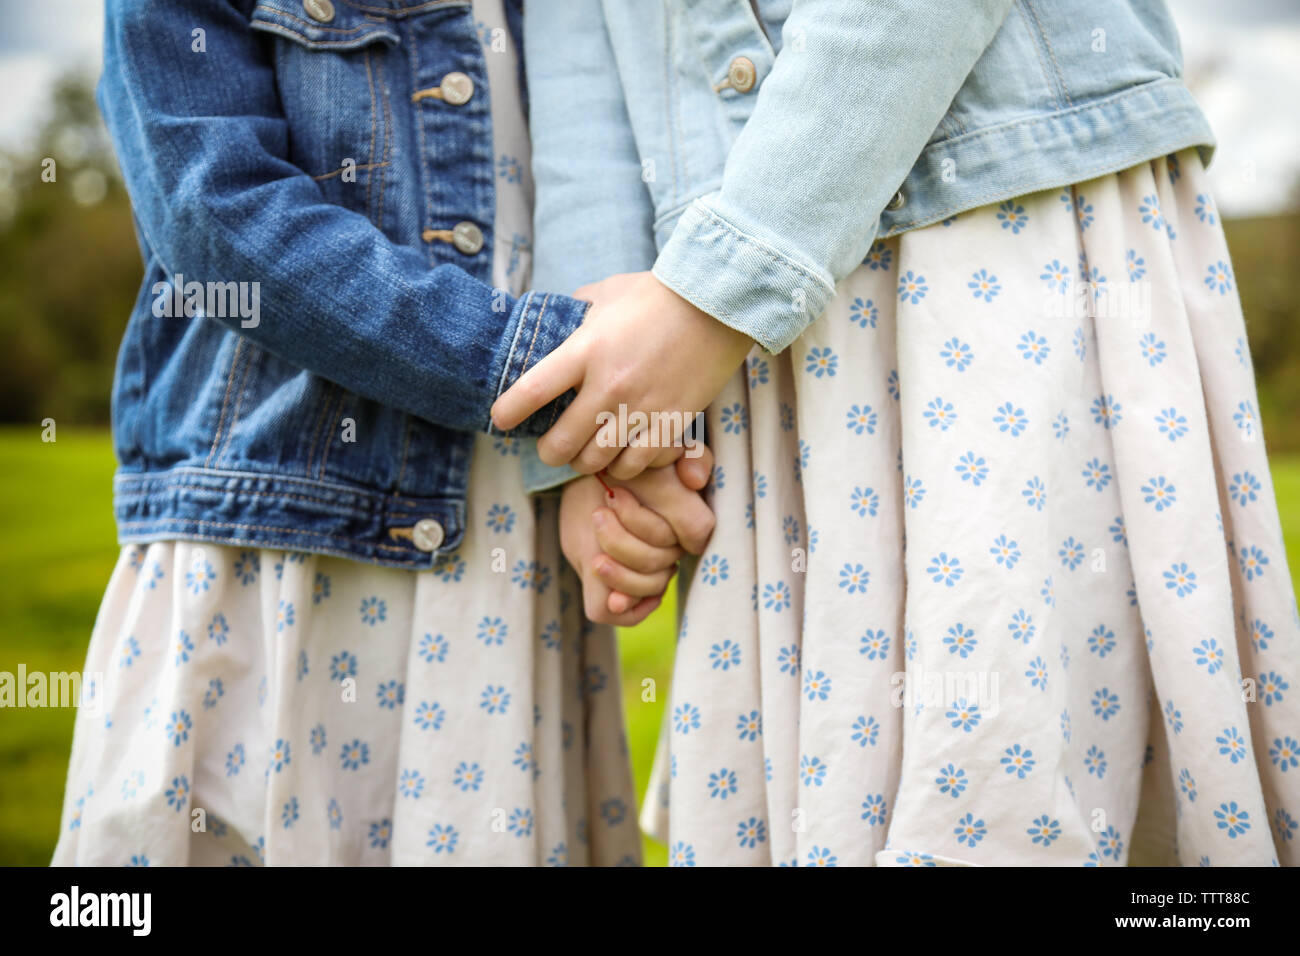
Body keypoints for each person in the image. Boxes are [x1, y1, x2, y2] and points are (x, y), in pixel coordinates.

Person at [499, 0, 1300, 865]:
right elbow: (579, 75)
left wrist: (720, 291)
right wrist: (604, 441)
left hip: (1000, 239)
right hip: (738, 357)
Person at [53, 0, 710, 867]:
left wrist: (600, 453)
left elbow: (596, 172)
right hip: (280, 539)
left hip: (511, 540)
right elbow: (212, 216)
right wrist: (569, 380)